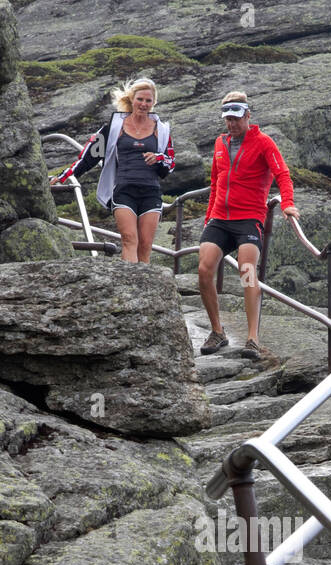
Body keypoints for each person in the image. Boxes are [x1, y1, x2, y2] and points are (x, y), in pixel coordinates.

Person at [198, 91, 300, 360]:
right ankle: (217, 332)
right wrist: (209, 216)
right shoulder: (220, 143)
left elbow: (283, 174)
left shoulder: (264, 142)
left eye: (236, 118)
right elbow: (216, 182)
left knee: (246, 272)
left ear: (247, 115)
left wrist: (287, 203)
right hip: (220, 217)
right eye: (228, 118)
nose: (232, 123)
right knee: (204, 269)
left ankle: (252, 338)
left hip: (248, 218)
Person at [51, 76, 174, 264]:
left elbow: (170, 165)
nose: (143, 104)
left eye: (148, 100)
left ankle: (143, 289)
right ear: (131, 99)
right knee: (129, 239)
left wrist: (158, 159)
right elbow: (88, 157)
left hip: (151, 191)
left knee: (145, 246)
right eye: (140, 99)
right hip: (123, 189)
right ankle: (131, 285)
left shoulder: (162, 130)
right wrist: (65, 176)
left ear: (153, 102)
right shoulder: (113, 128)